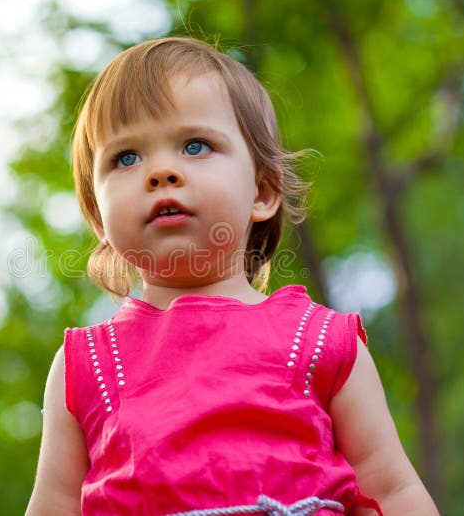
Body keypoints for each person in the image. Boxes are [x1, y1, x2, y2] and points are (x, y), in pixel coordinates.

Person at [25, 37, 438, 516]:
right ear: (99, 216)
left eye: (195, 146)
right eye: (126, 158)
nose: (160, 172)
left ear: (262, 193)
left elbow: (392, 491)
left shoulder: (323, 341)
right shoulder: (85, 366)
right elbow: (53, 505)